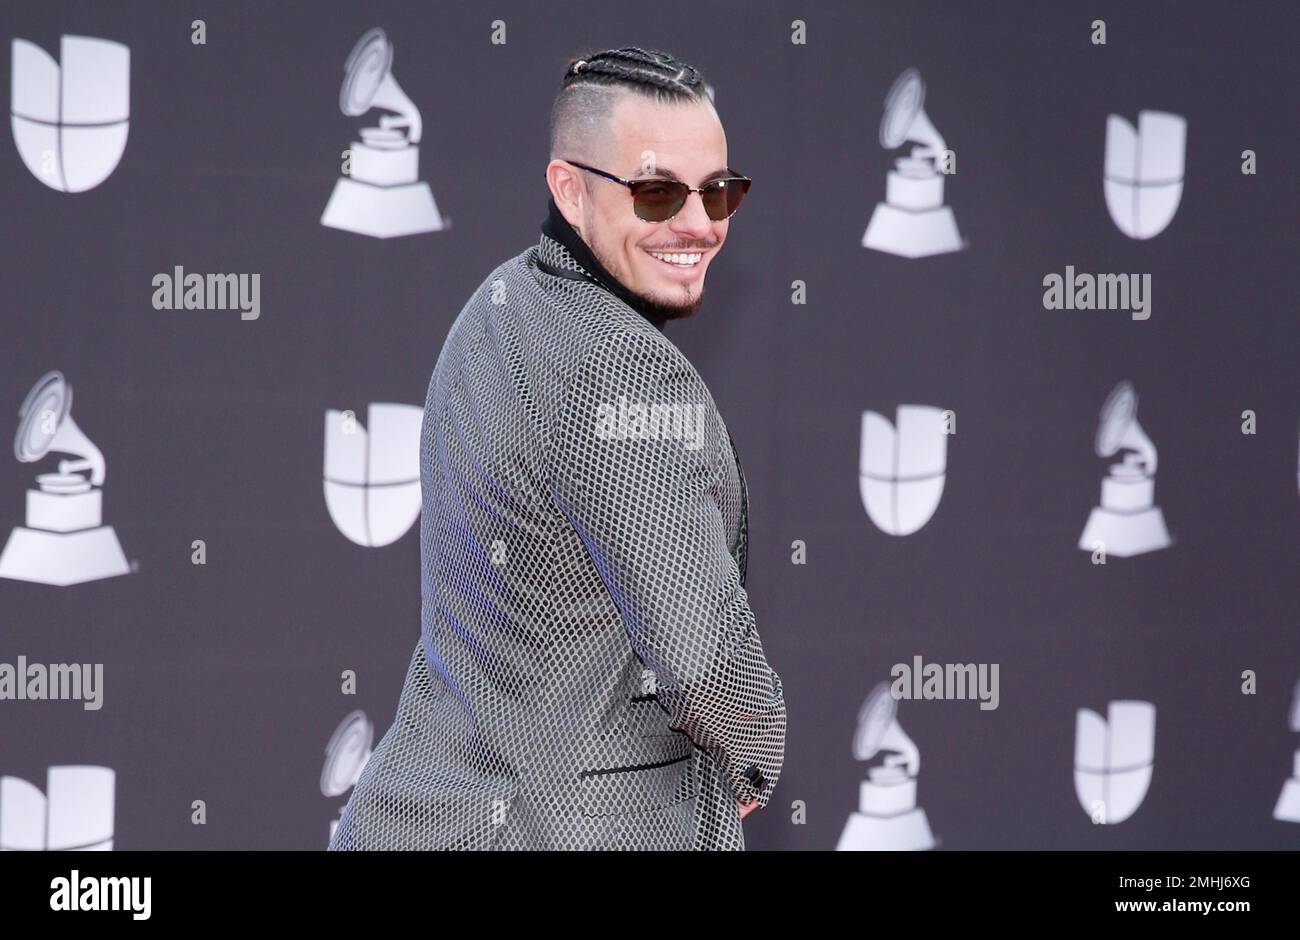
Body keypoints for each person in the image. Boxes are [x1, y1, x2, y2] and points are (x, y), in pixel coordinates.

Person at [329, 46, 786, 851]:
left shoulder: (494, 311)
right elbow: (700, 656)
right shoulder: (625, 364)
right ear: (570, 190)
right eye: (657, 192)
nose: (699, 224)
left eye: (720, 191)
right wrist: (752, 754)